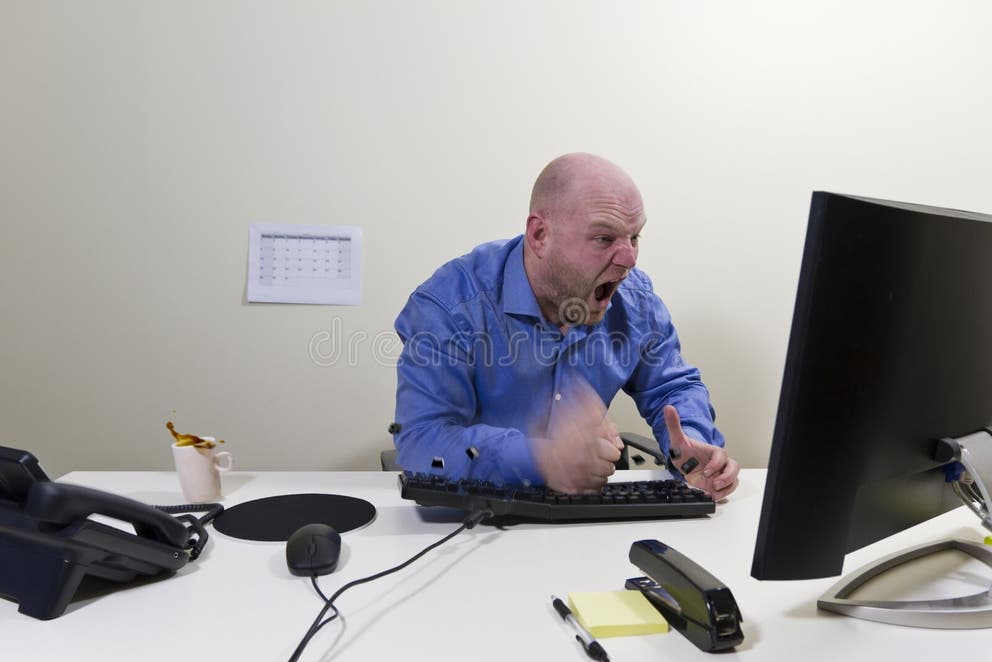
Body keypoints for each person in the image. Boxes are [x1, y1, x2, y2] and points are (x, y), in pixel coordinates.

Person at [392, 153, 739, 500]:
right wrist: (540, 459)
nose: (630, 259)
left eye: (634, 237)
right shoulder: (450, 307)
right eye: (604, 239)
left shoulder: (635, 300)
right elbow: (422, 442)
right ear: (540, 234)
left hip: (587, 522)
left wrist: (691, 446)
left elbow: (672, 388)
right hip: (477, 523)